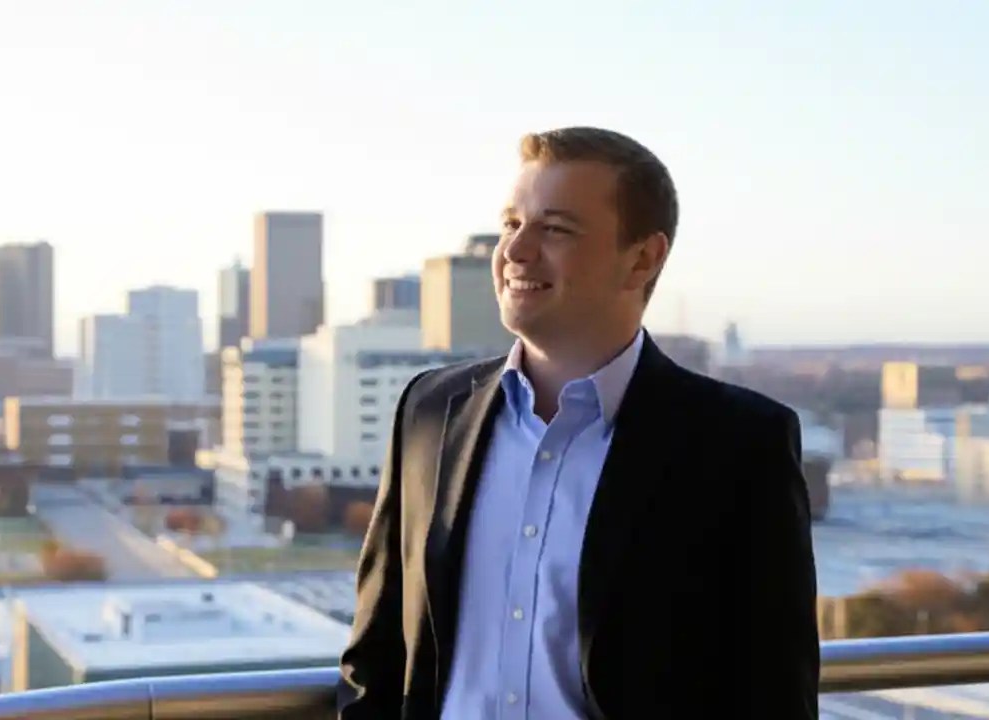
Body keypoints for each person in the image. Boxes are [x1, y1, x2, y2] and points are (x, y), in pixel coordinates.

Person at [337, 126, 819, 719]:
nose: (515, 250)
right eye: (512, 223)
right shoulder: (430, 412)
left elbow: (773, 695)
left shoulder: (739, 446)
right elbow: (376, 658)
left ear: (643, 258)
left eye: (555, 229)